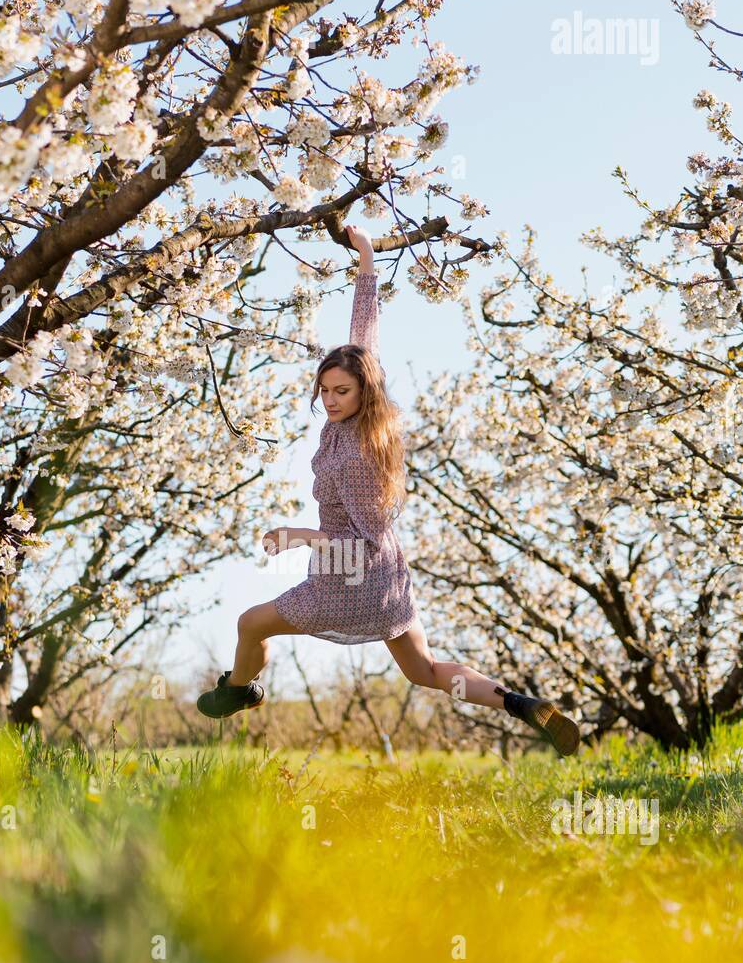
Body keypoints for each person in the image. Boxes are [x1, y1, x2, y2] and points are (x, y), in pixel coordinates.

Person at [196, 224, 580, 757]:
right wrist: (368, 262)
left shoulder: (355, 455)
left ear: (362, 390)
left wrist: (299, 534)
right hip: (389, 586)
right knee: (423, 670)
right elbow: (365, 334)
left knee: (250, 623)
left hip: (348, 578)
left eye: (340, 391)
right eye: (324, 391)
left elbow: (365, 538)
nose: (330, 400)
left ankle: (241, 691)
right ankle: (518, 703)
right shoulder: (371, 420)